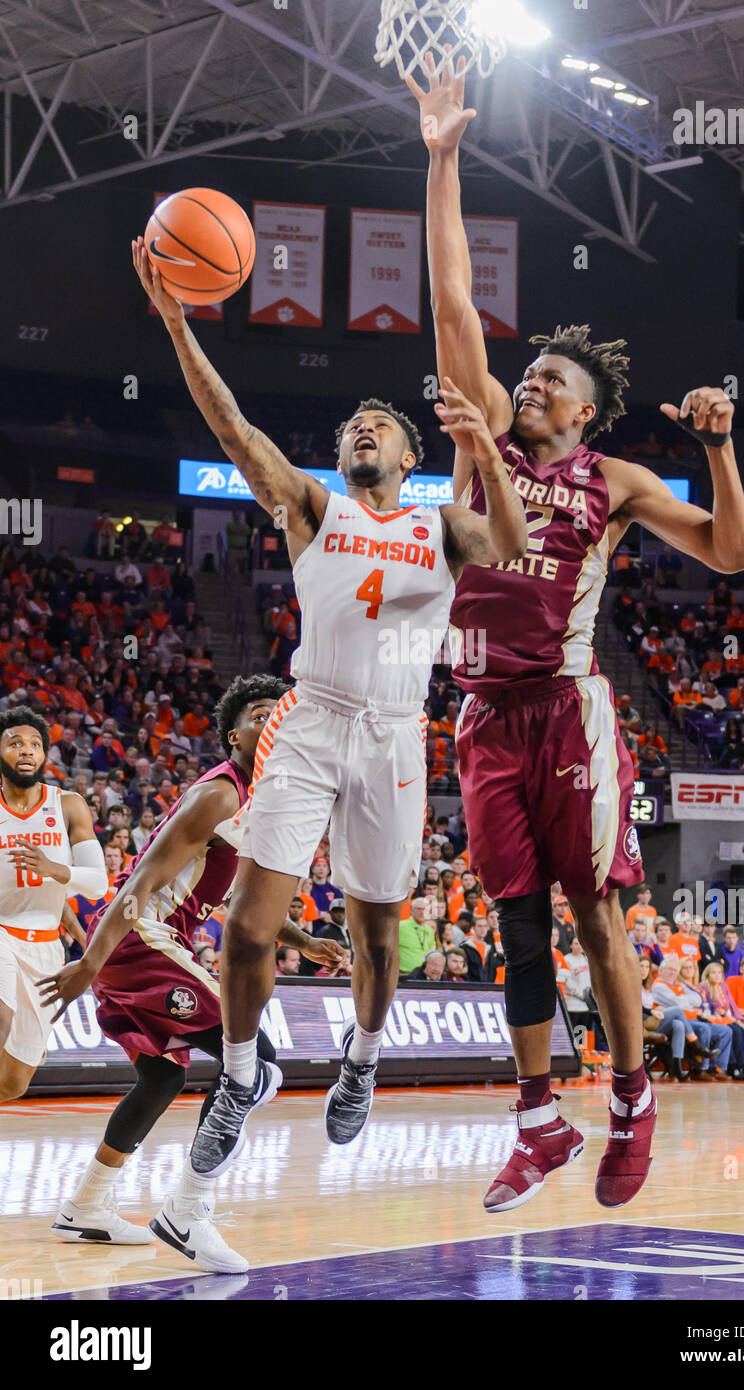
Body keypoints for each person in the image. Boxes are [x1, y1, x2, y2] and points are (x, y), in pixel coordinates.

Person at [126, 240, 528, 1265]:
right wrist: (177, 322)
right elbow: (232, 425)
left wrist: (481, 446)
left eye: (382, 425)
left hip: (395, 736)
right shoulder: (315, 507)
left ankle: (361, 1053)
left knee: (377, 933)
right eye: (355, 423)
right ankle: (238, 1074)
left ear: (408, 456)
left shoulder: (442, 527)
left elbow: (512, 546)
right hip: (309, 721)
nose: (363, 428)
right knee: (250, 930)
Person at [409, 55, 744, 1213]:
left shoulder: (617, 475)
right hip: (479, 713)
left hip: (566, 705)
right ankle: (536, 1117)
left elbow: (732, 555)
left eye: (547, 375)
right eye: (528, 372)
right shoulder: (487, 440)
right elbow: (454, 304)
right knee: (513, 918)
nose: (528, 379)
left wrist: (716, 446)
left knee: (595, 909)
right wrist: (442, 157)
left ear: (584, 405)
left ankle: (633, 1094)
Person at [41, 676, 347, 1260]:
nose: (274, 722)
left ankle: (85, 1206)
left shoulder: (255, 803)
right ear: (236, 733)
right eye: (261, 714)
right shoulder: (220, 795)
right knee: (255, 1062)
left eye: (281, 714)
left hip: (138, 944)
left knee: (163, 1077)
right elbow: (142, 881)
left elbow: (231, 893)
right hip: (136, 937)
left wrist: (299, 937)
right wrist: (89, 962)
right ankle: (188, 1209)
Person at [0, 706, 97, 1104]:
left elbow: (96, 883)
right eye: (15, 742)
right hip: (2, 933)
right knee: (1, 1021)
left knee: (13, 1082)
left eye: (36, 744)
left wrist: (54, 870)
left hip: (44, 949)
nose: (27, 750)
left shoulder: (68, 805)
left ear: (44, 756)